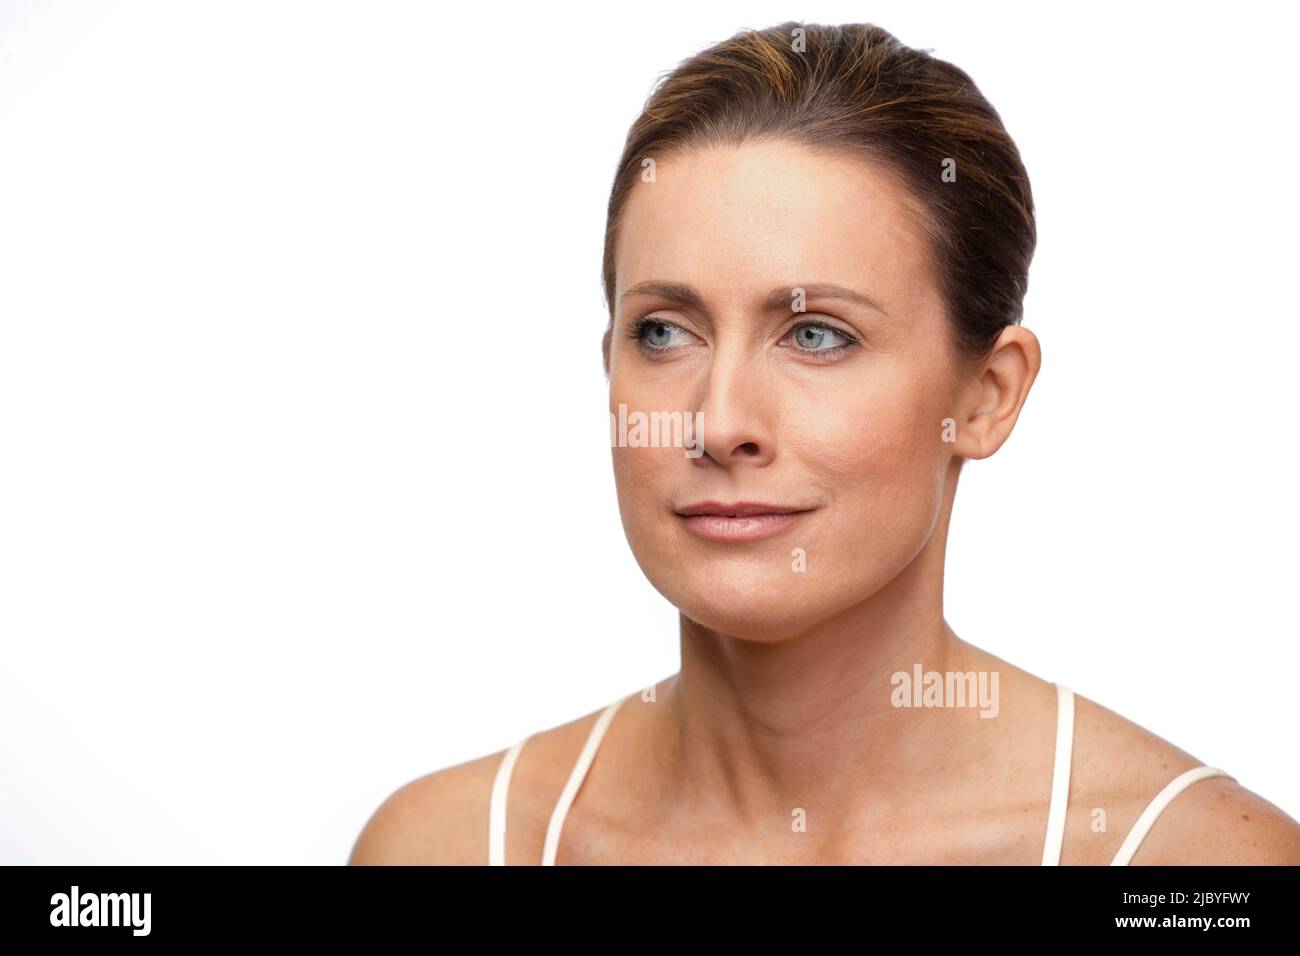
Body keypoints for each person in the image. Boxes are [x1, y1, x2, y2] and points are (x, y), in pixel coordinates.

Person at [349, 21, 1300, 865]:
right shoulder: (452, 846)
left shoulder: (1191, 867)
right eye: (664, 332)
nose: (719, 423)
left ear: (988, 394)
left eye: (815, 335)